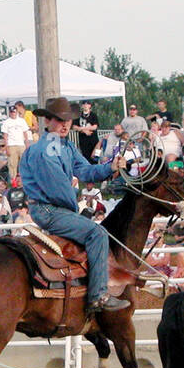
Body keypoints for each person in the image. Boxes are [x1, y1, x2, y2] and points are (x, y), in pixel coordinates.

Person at [20, 97, 128, 314]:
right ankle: (98, 296)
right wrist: (76, 206)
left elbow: (86, 170)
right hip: (49, 210)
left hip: (51, 208)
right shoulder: (47, 149)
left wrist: (110, 166)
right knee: (98, 234)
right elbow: (58, 188)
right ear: (47, 121)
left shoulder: (65, 146)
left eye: (68, 120)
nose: (65, 124)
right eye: (60, 120)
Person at [0, 106, 30, 184]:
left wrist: (27, 144)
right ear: (10, 113)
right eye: (12, 112)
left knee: (24, 163)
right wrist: (7, 147)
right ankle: (14, 181)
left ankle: (25, 180)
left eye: (14, 112)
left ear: (17, 112)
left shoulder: (22, 121)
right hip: (11, 145)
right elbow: (5, 136)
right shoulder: (6, 122)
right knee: (12, 164)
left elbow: (25, 133)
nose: (13, 113)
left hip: (21, 144)